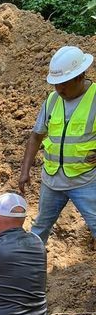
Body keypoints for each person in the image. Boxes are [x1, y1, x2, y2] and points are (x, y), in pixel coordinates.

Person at [19, 45, 96, 243]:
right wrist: (25, 171)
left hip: (85, 180)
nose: (58, 88)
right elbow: (36, 136)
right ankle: (31, 269)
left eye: (63, 83)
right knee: (40, 228)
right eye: (56, 83)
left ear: (80, 77)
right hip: (52, 181)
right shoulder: (52, 100)